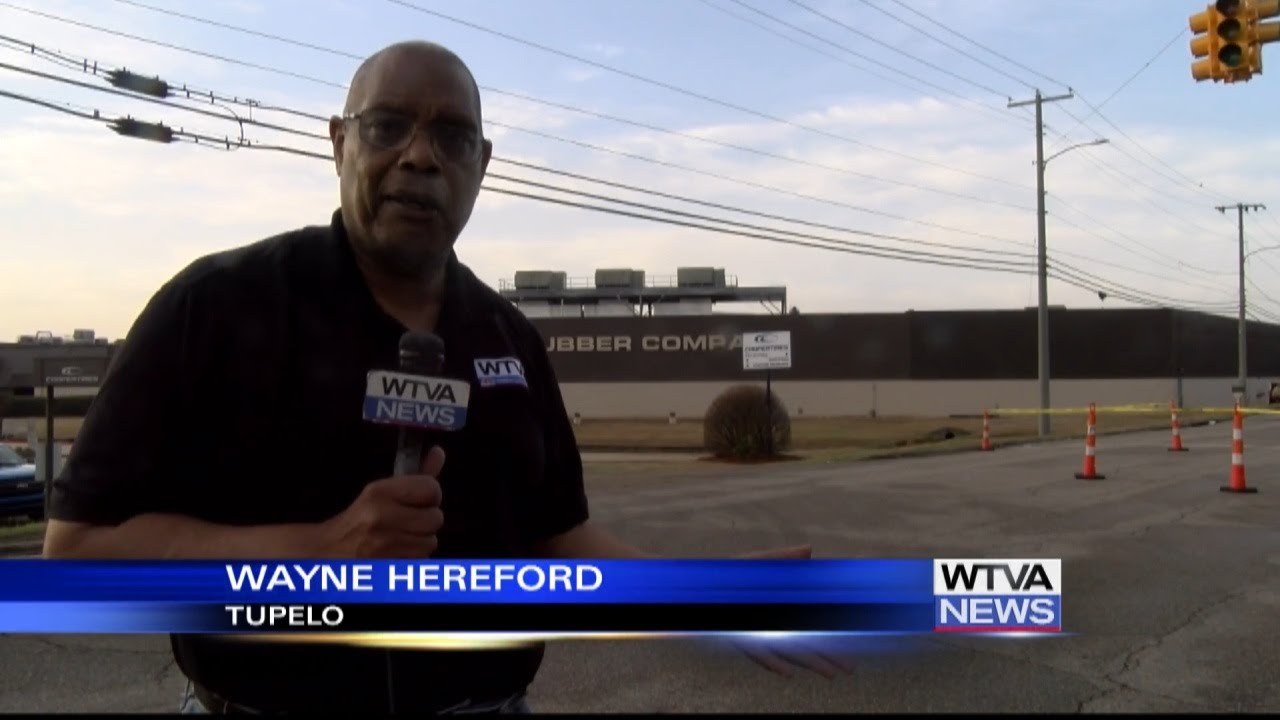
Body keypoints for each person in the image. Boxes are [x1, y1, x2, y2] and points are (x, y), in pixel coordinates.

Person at [42, 40, 848, 714]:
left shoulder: (510, 339)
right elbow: (78, 554)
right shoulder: (214, 309)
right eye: (388, 125)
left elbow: (557, 537)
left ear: (482, 165)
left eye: (453, 137)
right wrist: (317, 551)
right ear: (338, 142)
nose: (421, 156)